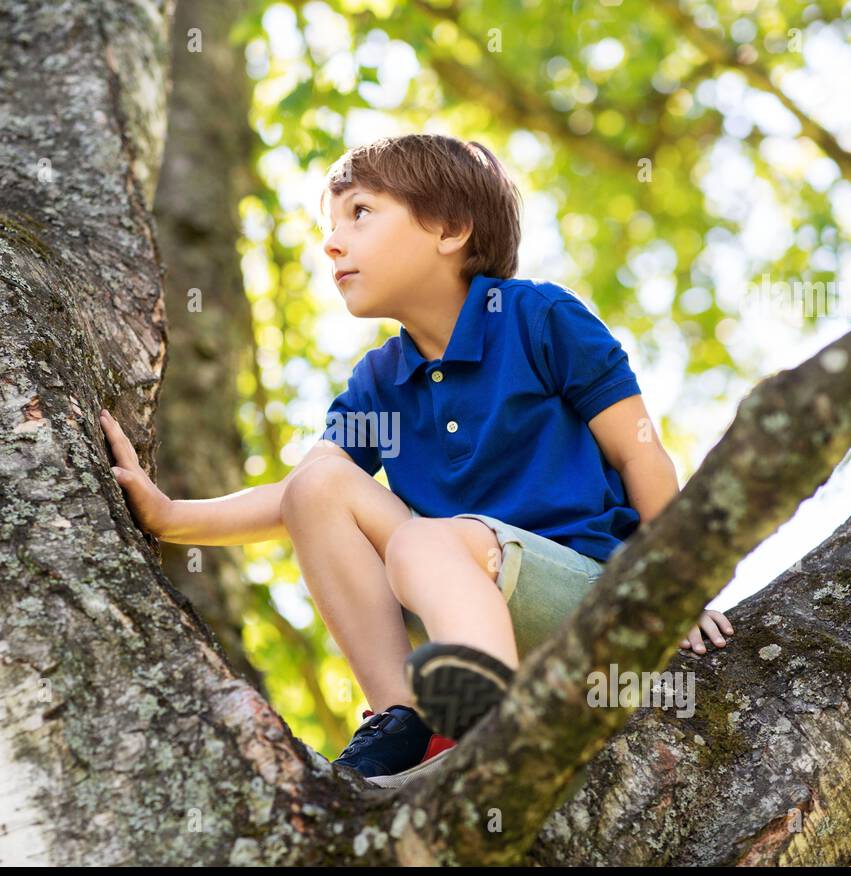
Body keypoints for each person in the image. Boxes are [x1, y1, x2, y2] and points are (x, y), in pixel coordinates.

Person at [99, 133, 732, 789]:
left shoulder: (535, 317)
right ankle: (405, 718)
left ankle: (497, 735)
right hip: (456, 613)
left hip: (591, 607)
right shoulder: (381, 380)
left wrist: (677, 591)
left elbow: (640, 450)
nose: (333, 242)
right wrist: (169, 517)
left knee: (424, 543)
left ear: (451, 229)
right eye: (330, 224)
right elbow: (300, 499)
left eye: (360, 213)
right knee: (322, 484)